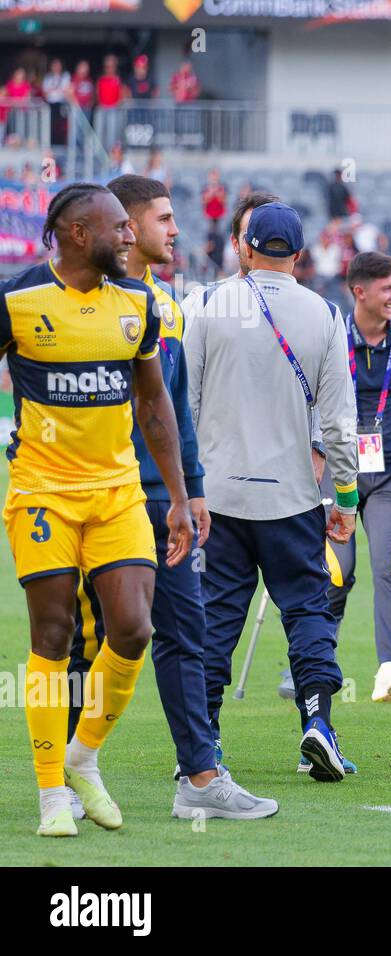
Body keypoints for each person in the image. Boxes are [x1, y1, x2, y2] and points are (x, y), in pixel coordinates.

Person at [66, 175, 277, 820]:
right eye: (161, 218)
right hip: (93, 493)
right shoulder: (78, 303)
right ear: (123, 226)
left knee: (187, 631)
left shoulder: (169, 306)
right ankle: (65, 778)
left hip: (162, 497)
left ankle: (199, 776)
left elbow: (172, 409)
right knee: (84, 636)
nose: (174, 229)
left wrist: (195, 490)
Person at [2, 182, 194, 836]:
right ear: (78, 233)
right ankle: (52, 792)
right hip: (42, 494)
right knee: (52, 634)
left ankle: (85, 754)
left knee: (134, 627)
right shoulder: (17, 300)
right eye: (116, 228)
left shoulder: (139, 303)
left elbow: (154, 405)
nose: (127, 237)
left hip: (118, 494)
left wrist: (177, 497)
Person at [185, 201, 362, 781]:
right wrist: (345, 499)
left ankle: (203, 749)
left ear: (245, 246)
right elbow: (338, 424)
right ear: (300, 253)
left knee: (214, 622)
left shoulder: (205, 303)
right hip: (291, 497)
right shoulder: (325, 313)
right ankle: (318, 723)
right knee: (308, 611)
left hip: (219, 496)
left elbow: (182, 406)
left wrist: (183, 489)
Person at [323, 252, 391, 703]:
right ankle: (314, 661)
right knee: (336, 572)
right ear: (360, 291)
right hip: (336, 470)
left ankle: (388, 668)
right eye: (388, 289)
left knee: (390, 566)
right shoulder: (331, 333)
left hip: (389, 473)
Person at [95, 54, 124, 148]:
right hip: (102, 108)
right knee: (99, 132)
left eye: (111, 66)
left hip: (113, 109)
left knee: (112, 134)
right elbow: (97, 94)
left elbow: (122, 94)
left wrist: (116, 105)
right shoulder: (101, 79)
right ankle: (99, 152)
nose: (109, 69)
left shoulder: (118, 80)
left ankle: (111, 152)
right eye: (107, 67)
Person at [41, 59, 72, 147]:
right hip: (51, 104)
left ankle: (61, 144)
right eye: (54, 65)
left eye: (58, 65)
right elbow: (45, 92)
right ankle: (51, 143)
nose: (56, 68)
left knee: (62, 126)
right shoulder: (48, 77)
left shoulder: (65, 76)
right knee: (50, 125)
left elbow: (65, 90)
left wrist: (53, 89)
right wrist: (57, 89)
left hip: (62, 104)